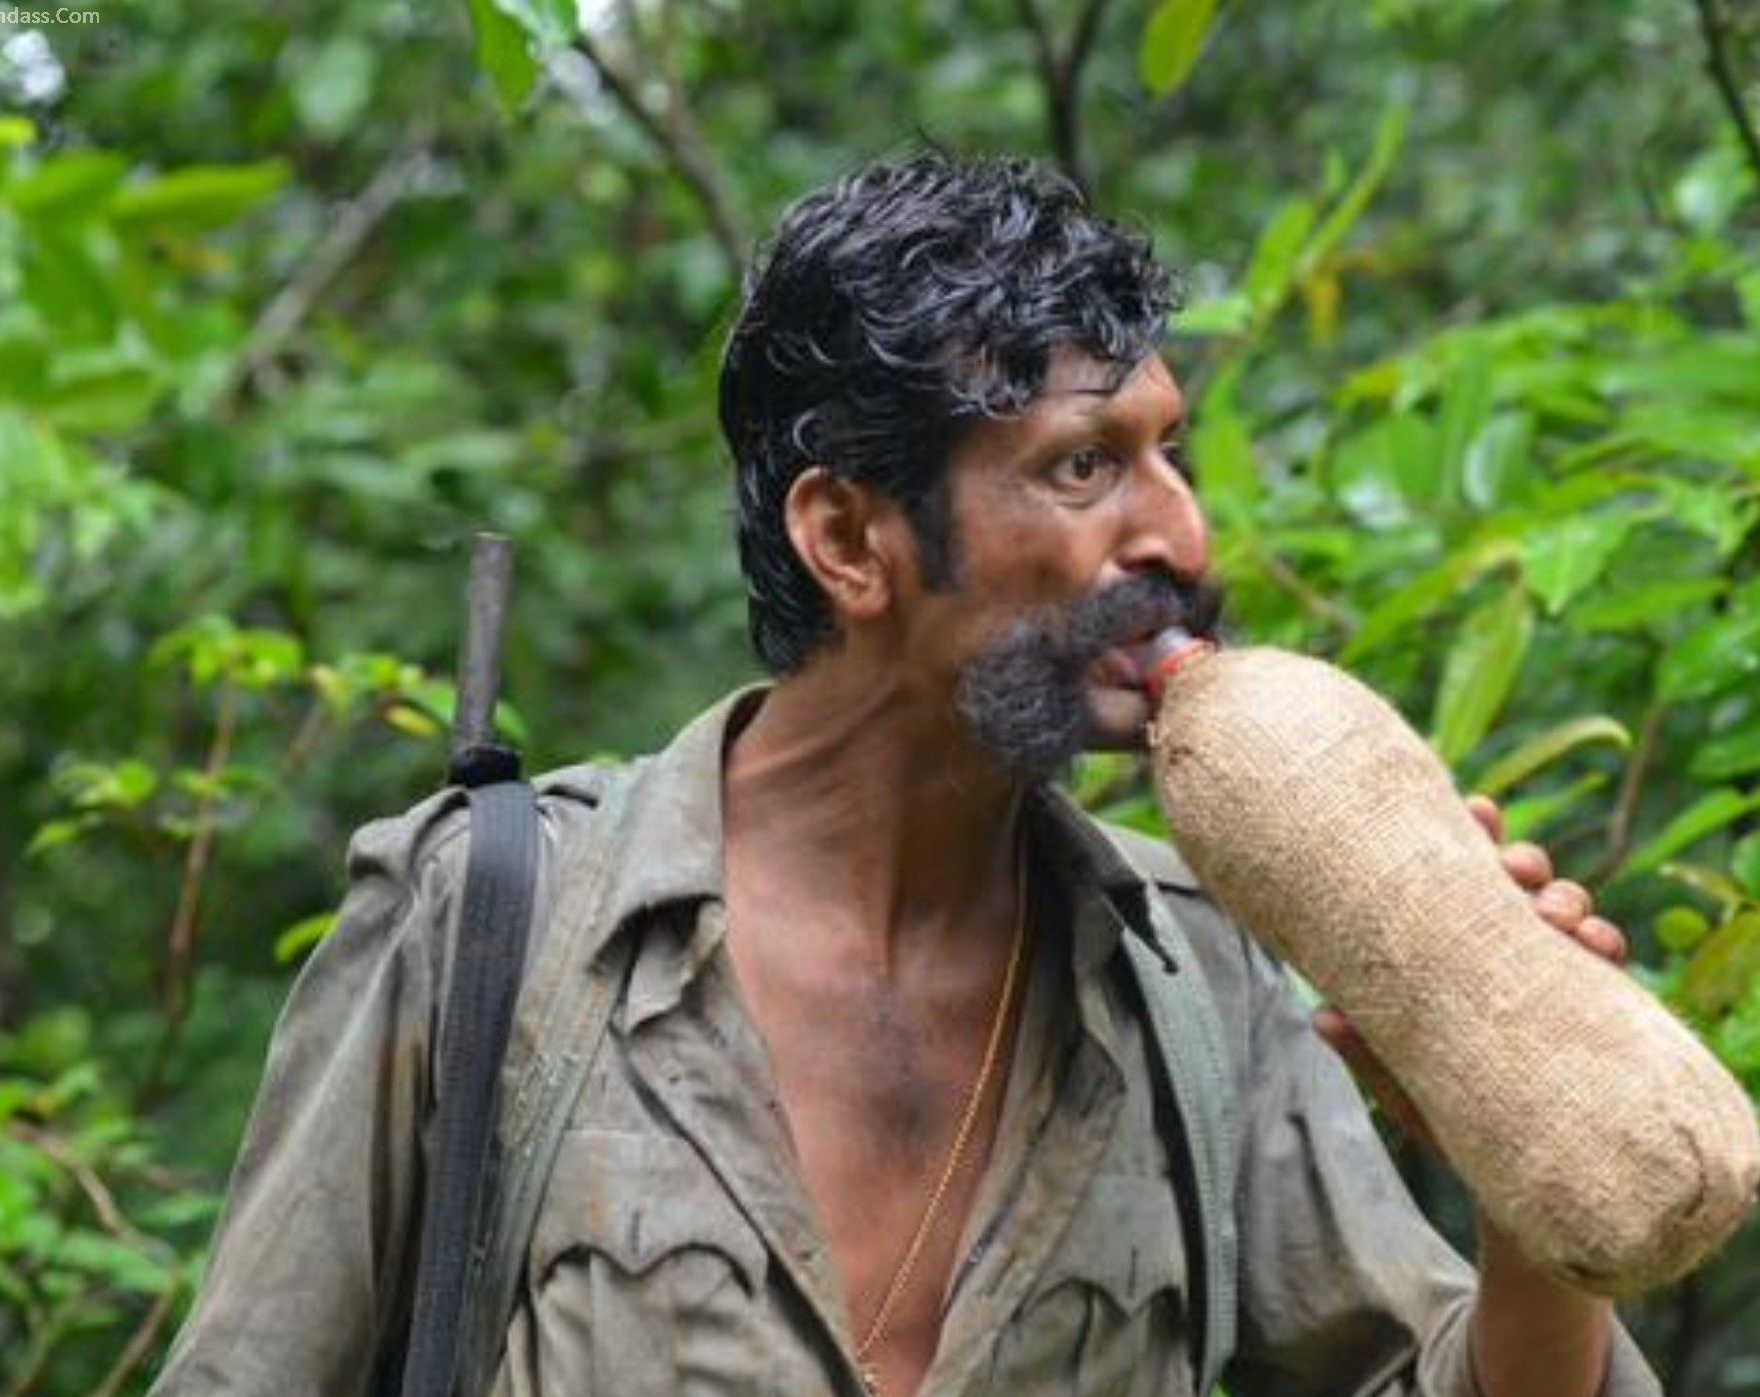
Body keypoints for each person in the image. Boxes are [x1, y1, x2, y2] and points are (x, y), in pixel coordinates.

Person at [151, 152, 1662, 1397]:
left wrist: (1525, 1157)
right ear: (848, 539)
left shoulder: (1194, 978)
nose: (1180, 538)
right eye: (1083, 465)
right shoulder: (495, 925)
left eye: (1172, 455)